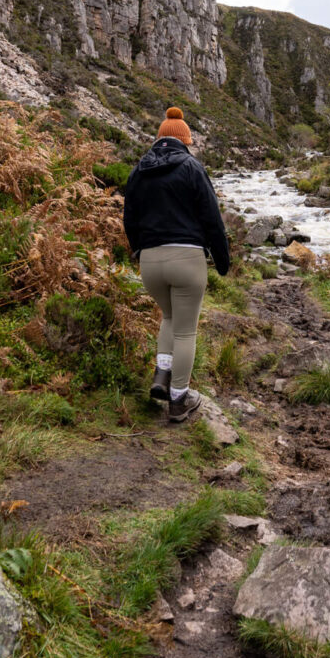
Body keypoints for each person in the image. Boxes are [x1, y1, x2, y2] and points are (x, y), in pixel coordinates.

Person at [122, 107, 230, 423]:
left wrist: (139, 251)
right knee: (185, 332)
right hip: (187, 259)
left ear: (159, 139)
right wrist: (222, 262)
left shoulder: (138, 171)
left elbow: (130, 220)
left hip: (151, 262)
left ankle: (162, 377)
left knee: (168, 317)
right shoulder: (191, 167)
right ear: (184, 141)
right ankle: (179, 400)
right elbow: (213, 220)